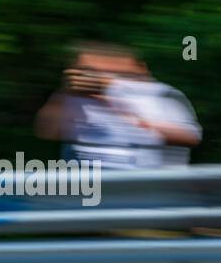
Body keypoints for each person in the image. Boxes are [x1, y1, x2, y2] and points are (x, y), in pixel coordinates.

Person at [35, 42, 201, 169]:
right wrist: (65, 92)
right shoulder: (75, 99)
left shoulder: (161, 94)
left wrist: (115, 94)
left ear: (141, 70)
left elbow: (190, 136)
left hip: (151, 185)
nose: (97, 77)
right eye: (88, 71)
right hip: (90, 191)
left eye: (113, 72)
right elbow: (47, 131)